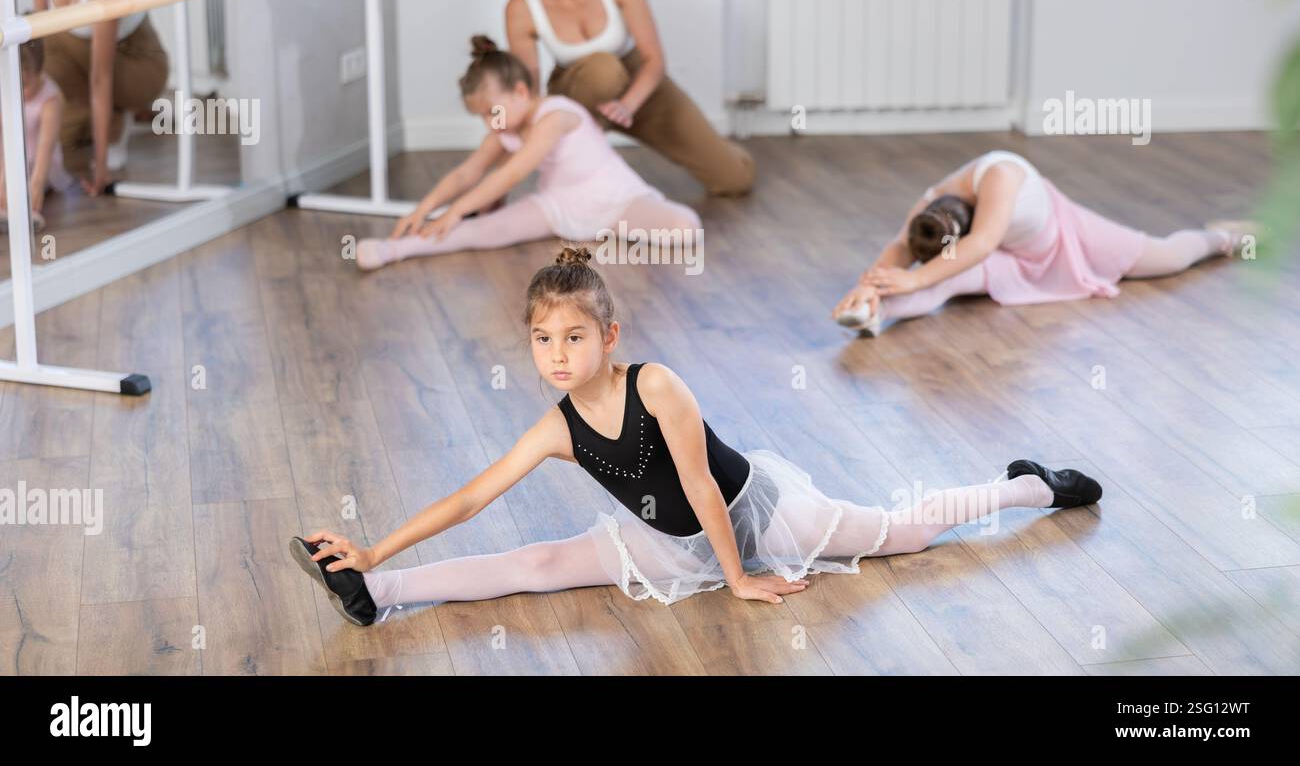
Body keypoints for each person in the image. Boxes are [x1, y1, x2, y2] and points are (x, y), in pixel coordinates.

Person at [290, 245, 1102, 625]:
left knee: (905, 533)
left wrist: (741, 576)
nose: (558, 355)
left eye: (574, 337)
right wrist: (372, 550)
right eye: (543, 341)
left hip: (759, 516)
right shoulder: (557, 426)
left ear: (610, 337)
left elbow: (707, 488)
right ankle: (375, 595)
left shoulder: (656, 384)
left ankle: (1030, 484)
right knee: (533, 563)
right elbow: (469, 499)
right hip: (660, 539)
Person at [355, 37, 701, 271]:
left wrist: (457, 210)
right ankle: (394, 249)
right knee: (486, 231)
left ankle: (608, 231)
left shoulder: (555, 116)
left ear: (520, 91)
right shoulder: (505, 128)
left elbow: (512, 174)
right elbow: (467, 173)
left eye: (492, 112)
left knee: (685, 229)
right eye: (482, 117)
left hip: (615, 199)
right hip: (559, 204)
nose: (490, 123)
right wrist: (426, 209)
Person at [832, 149, 1261, 335]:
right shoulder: (933, 201)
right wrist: (869, 286)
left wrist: (914, 278)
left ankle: (1223, 237)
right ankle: (871, 316)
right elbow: (900, 246)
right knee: (940, 283)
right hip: (1012, 258)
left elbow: (980, 243)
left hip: (1065, 235)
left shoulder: (994, 175)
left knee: (1165, 257)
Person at [499, 0, 754, 198]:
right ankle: (583, 154)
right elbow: (527, 93)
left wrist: (627, 106)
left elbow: (653, 60)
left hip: (638, 85)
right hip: (577, 93)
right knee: (602, 70)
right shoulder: (520, 8)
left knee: (735, 178)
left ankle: (722, 150)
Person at [29, 0, 170, 195]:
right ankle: (127, 116)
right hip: (84, 59)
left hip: (138, 66)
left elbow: (100, 76)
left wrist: (102, 167)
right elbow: (41, 44)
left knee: (52, 37)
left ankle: (122, 119)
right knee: (35, 38)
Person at [0, 39, 75, 233]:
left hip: (40, 165)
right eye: (14, 83)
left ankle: (27, 213)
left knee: (25, 185)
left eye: (24, 85)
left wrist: (37, 184)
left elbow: (46, 148)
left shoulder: (50, 99)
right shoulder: (7, 91)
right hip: (12, 160)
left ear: (39, 71)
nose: (19, 91)